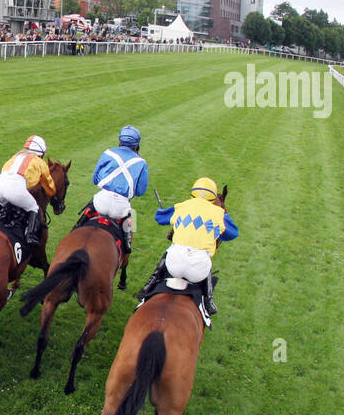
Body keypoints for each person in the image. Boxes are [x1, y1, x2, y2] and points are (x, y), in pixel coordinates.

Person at [140, 177, 238, 316]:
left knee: (171, 250)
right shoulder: (220, 214)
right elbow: (233, 233)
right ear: (213, 197)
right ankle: (209, 302)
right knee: (206, 259)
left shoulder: (182, 206)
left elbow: (160, 218)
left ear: (193, 193)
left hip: (174, 265)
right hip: (198, 270)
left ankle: (149, 284)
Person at [0, 135, 56, 248]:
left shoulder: (16, 156)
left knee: (1, 202)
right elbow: (49, 186)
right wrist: (52, 192)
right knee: (33, 207)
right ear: (41, 153)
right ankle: (30, 235)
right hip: (14, 188)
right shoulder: (40, 162)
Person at [89, 125, 148, 253]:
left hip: (101, 201)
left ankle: (76, 227)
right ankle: (127, 246)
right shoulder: (142, 163)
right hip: (121, 207)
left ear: (120, 140)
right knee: (132, 220)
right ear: (137, 144)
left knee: (87, 210)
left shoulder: (107, 153)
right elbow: (140, 191)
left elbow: (95, 179)